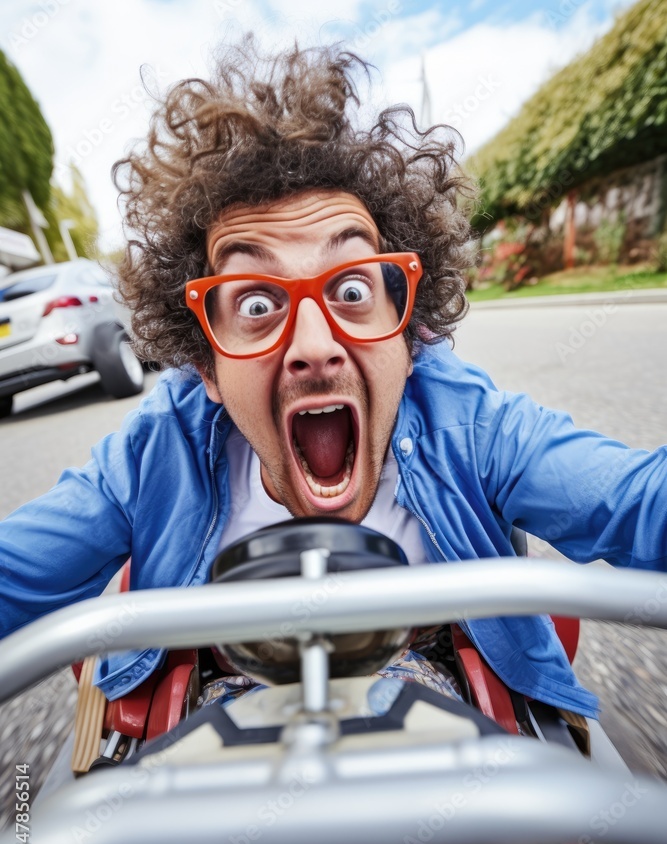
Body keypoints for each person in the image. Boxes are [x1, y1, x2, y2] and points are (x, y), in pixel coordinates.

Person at [1, 43, 665, 718]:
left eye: (351, 290)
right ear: (206, 367)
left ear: (407, 337)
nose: (315, 348)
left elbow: (636, 504)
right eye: (255, 304)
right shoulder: (153, 454)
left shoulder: (472, 425)